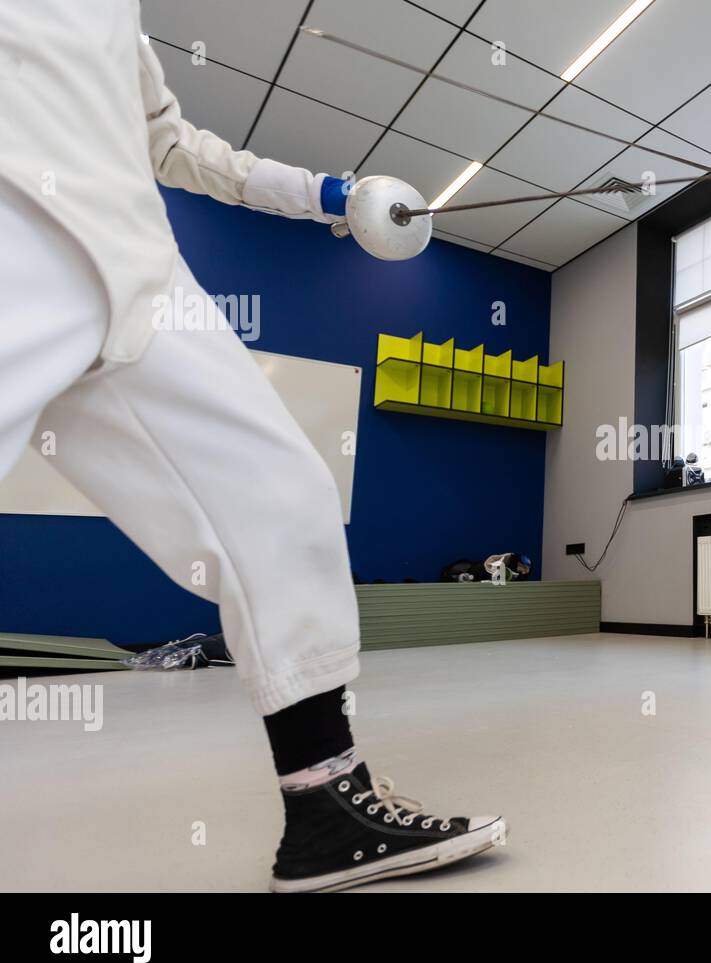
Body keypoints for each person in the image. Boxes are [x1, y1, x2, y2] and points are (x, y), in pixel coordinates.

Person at [0, 2, 505, 892]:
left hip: (144, 276)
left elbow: (170, 143)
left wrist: (329, 196)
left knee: (286, 494)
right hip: (13, 238)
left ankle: (324, 808)